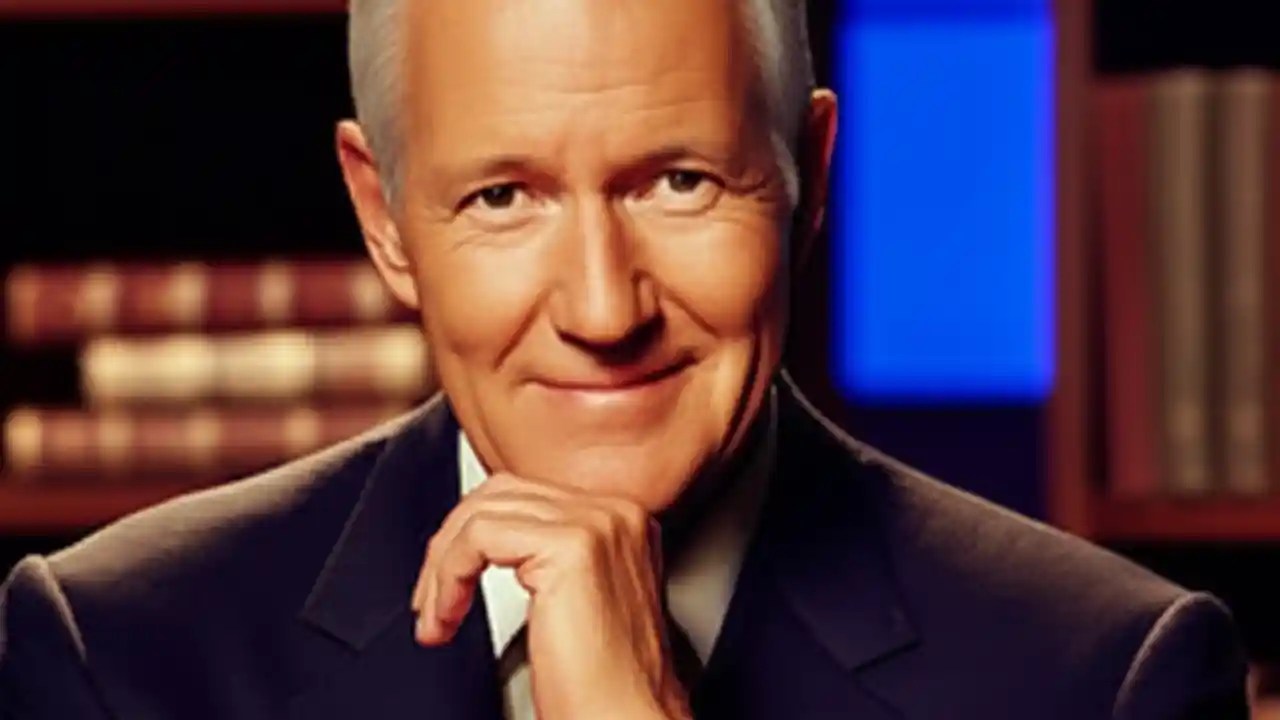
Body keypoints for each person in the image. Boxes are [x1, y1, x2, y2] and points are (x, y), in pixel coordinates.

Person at [0, 1, 1249, 718]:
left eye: (678, 180)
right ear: (383, 218)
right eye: (502, 197)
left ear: (807, 177)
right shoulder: (120, 656)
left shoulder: (1103, 683)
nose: (603, 308)